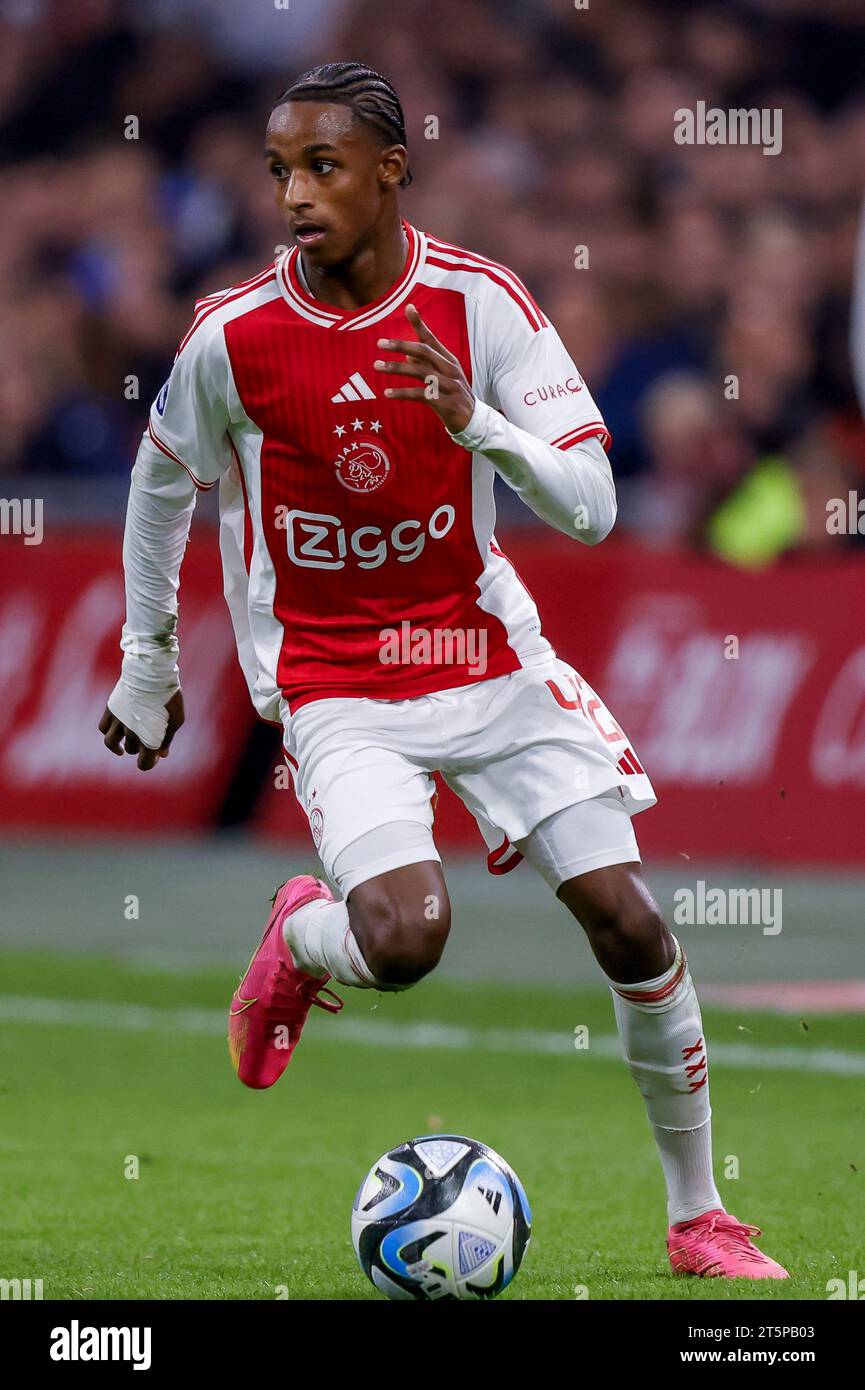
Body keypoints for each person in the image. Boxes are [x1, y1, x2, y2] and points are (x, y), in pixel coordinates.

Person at [99, 60, 787, 1282]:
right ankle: (309, 938)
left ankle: (698, 1219)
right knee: (409, 939)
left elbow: (590, 504)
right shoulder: (234, 337)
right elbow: (160, 486)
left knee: (628, 919)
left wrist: (481, 426)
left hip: (485, 655)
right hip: (337, 684)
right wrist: (147, 660)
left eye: (322, 167)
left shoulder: (482, 304)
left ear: (391, 172)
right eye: (279, 172)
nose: (295, 196)